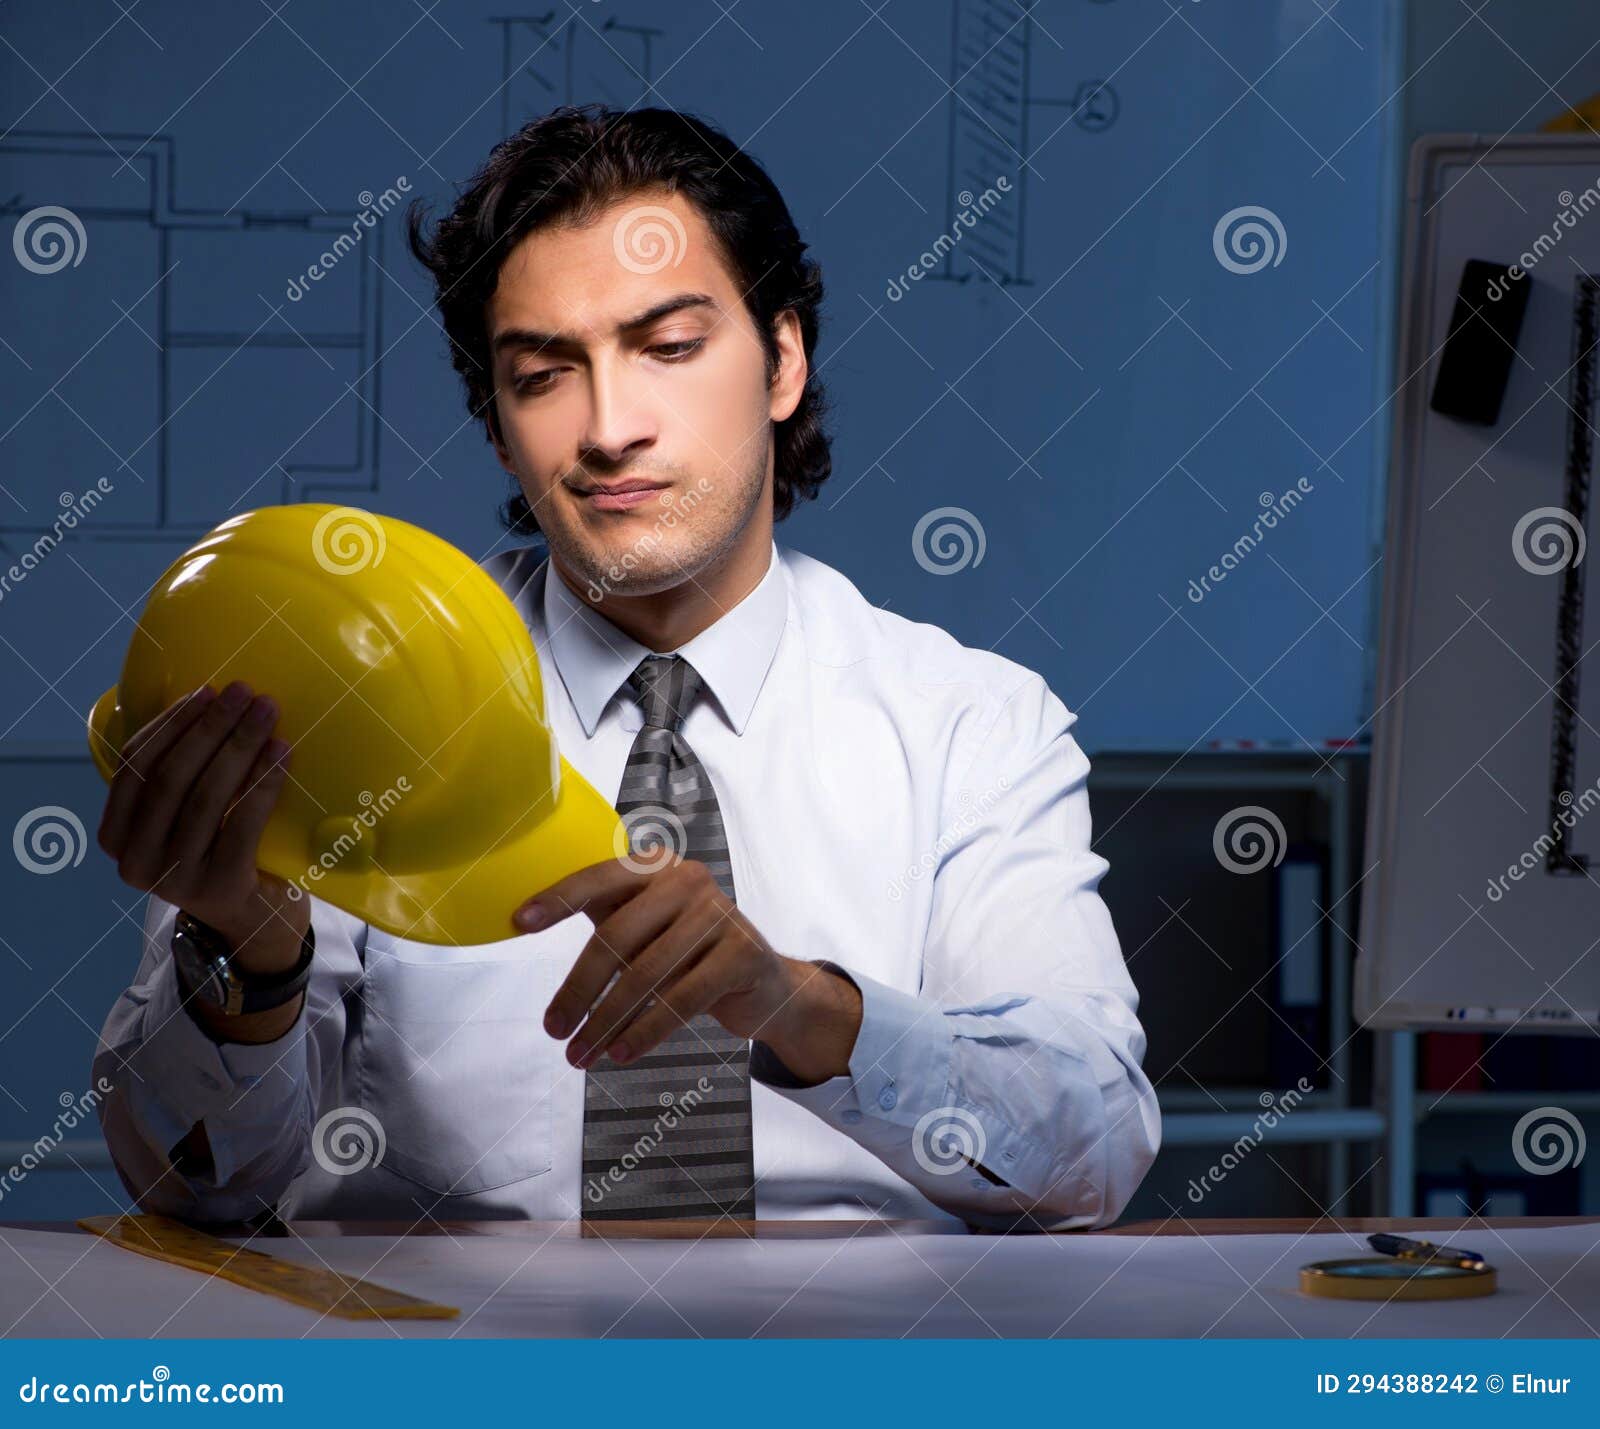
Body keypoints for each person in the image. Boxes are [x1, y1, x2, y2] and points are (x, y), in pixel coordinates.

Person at [93, 104, 1159, 1232]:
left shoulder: (971, 724)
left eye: (669, 347)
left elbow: (1089, 1152)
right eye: (544, 374)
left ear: (782, 361)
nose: (609, 427)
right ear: (499, 424)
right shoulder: (351, 677)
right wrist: (245, 964)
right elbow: (196, 1187)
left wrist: (800, 1008)